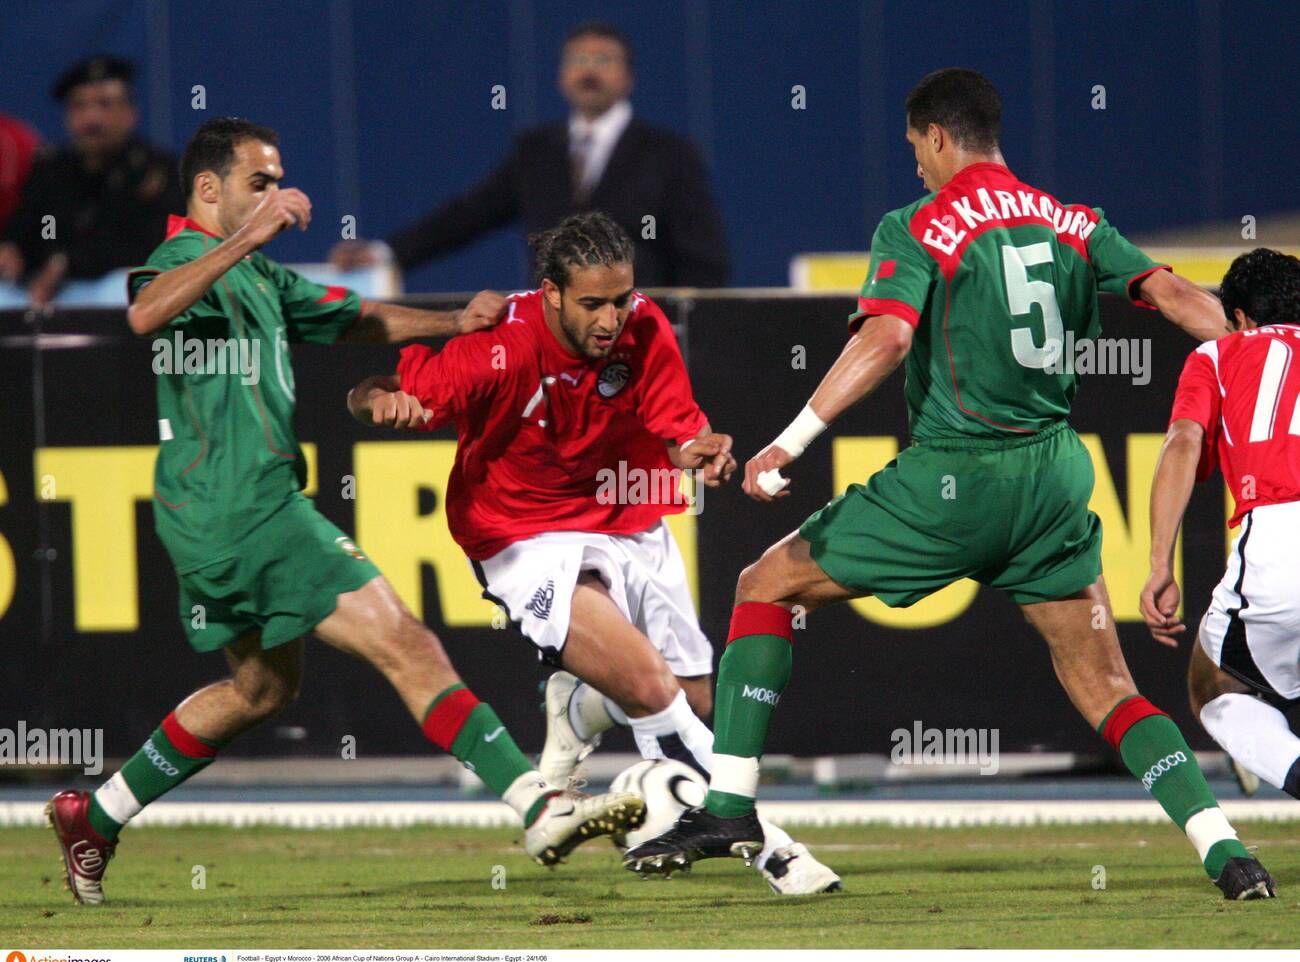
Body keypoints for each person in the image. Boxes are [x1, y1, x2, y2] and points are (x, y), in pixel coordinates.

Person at [625, 68, 1275, 901]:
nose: (916, 168)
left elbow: (888, 341)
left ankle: (729, 807)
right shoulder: (1076, 220)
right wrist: (1276, 370)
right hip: (1054, 476)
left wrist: (785, 444)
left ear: (936, 136)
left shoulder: (918, 224)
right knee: (1107, 685)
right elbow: (1183, 300)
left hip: (959, 474)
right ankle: (1228, 853)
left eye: (915, 150)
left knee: (765, 582)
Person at [45, 119, 642, 906]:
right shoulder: (186, 258)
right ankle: (536, 804)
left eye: (275, 181)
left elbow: (354, 318)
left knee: (259, 691)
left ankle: (97, 815)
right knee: (406, 639)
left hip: (210, 516)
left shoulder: (259, 277)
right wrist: (253, 233)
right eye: (259, 181)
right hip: (245, 507)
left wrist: (451, 323)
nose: (275, 194)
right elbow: (146, 313)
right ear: (208, 189)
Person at [348, 211, 840, 894]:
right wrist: (377, 404)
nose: (612, 318)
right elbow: (374, 392)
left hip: (630, 514)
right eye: (592, 304)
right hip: (527, 537)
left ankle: (581, 708)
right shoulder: (499, 345)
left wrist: (697, 449)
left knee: (695, 700)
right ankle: (775, 850)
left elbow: (675, 427)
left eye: (621, 298)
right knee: (648, 687)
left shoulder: (643, 326)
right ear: (550, 293)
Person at [331, 22, 729, 288]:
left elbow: (704, 258)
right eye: (578, 60)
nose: (589, 70)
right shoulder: (536, 151)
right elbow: (467, 216)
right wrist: (385, 254)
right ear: (561, 76)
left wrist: (686, 330)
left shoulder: (668, 153)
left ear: (628, 78)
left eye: (603, 60)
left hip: (639, 332)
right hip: (551, 337)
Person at [1142, 248, 1300, 800]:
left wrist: (1160, 562)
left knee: (1212, 684)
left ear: (1238, 317)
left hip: (1282, 537)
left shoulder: (1216, 355)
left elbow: (1184, 442)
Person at [0, 56, 183, 304]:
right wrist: (13, 251)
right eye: (80, 106)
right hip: (44, 294)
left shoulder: (154, 171)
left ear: (130, 113)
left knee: (126, 288)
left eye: (105, 104)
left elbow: (153, 247)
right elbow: (31, 227)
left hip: (103, 290)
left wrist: (66, 263)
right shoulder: (51, 168)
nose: (92, 119)